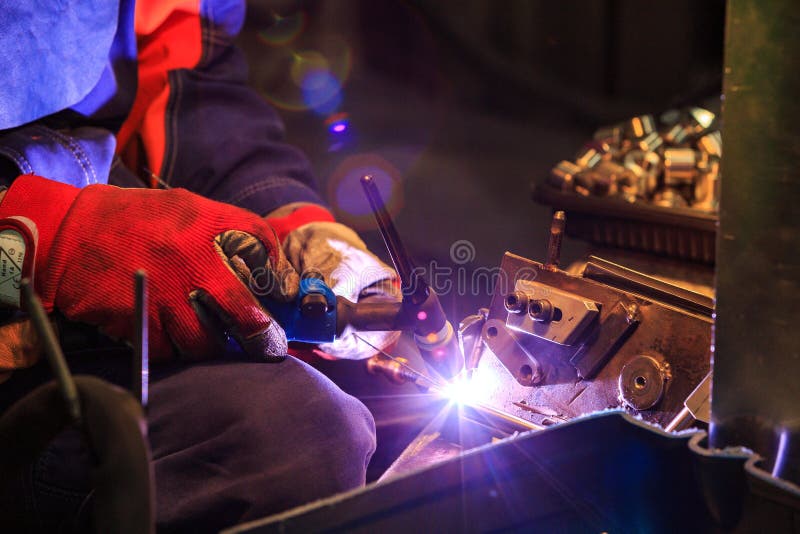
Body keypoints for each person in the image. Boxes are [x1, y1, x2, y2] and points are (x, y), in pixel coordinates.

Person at [0, 0, 399, 531]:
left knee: (345, 419)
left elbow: (186, 82)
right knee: (289, 437)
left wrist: (294, 223)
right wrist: (50, 234)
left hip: (89, 244)